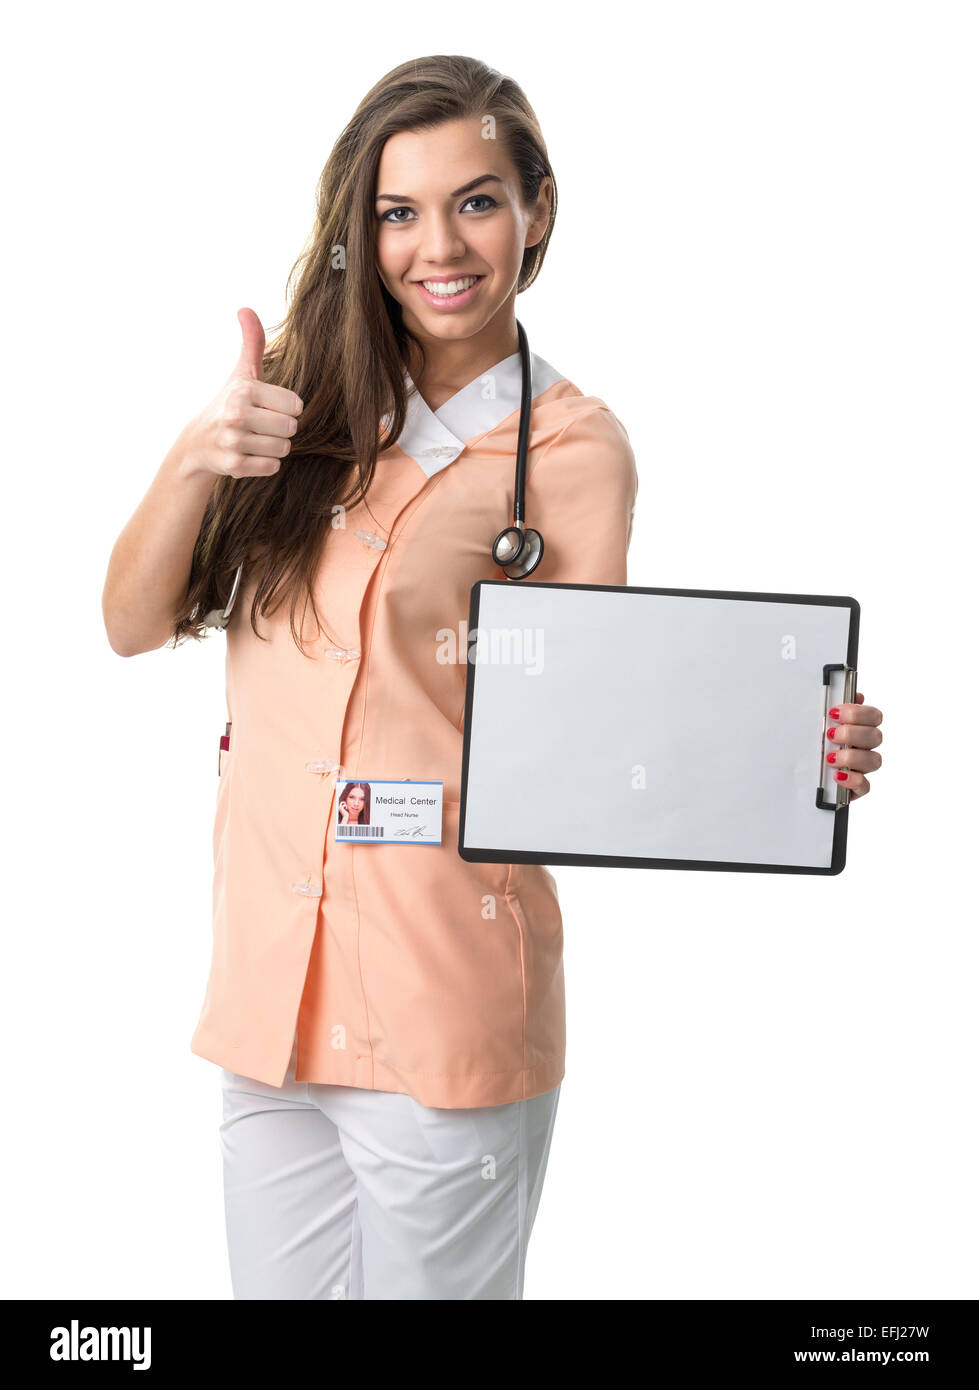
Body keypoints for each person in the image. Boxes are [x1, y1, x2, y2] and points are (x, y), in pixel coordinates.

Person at [101, 54, 884, 1301]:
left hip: (444, 1011)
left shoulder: (572, 452)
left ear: (536, 211)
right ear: (361, 229)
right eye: (397, 211)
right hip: (269, 1005)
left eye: (475, 200)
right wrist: (199, 454)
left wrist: (794, 744)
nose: (437, 245)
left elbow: (602, 737)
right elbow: (131, 622)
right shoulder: (290, 407)